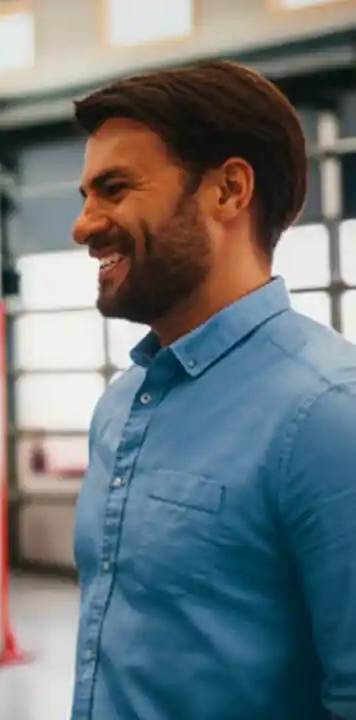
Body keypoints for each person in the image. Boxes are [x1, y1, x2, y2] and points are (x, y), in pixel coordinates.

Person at [70, 60, 356, 719]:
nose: (83, 225)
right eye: (86, 195)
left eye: (114, 189)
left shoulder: (328, 416)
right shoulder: (121, 406)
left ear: (228, 191)